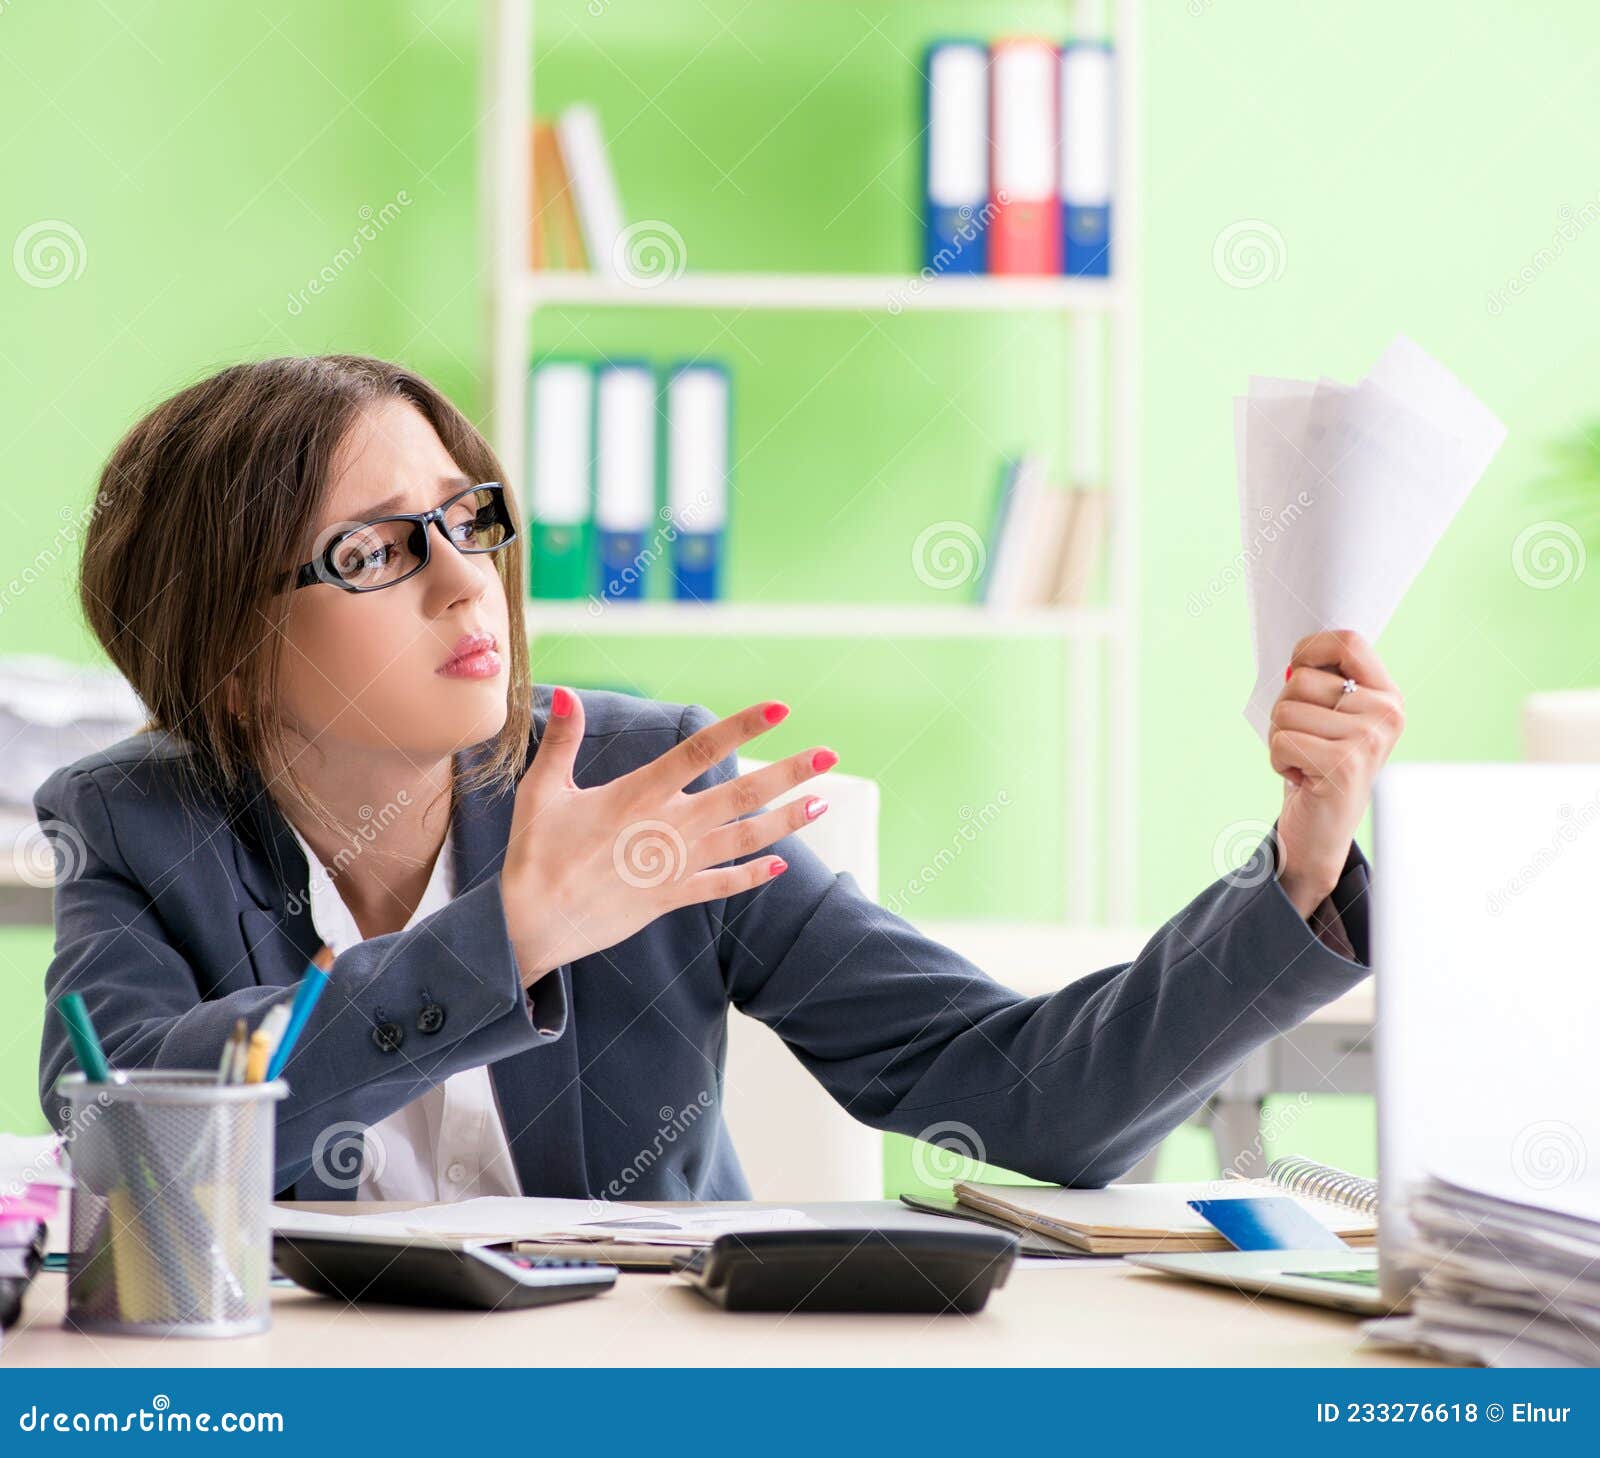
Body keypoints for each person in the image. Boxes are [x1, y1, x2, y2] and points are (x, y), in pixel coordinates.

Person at [35, 355, 1403, 1202]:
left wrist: (1299, 865)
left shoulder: (648, 780)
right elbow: (135, 1143)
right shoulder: (132, 820)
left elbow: (1032, 1098)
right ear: (226, 656)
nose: (468, 579)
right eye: (377, 551)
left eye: (469, 519)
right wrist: (504, 939)